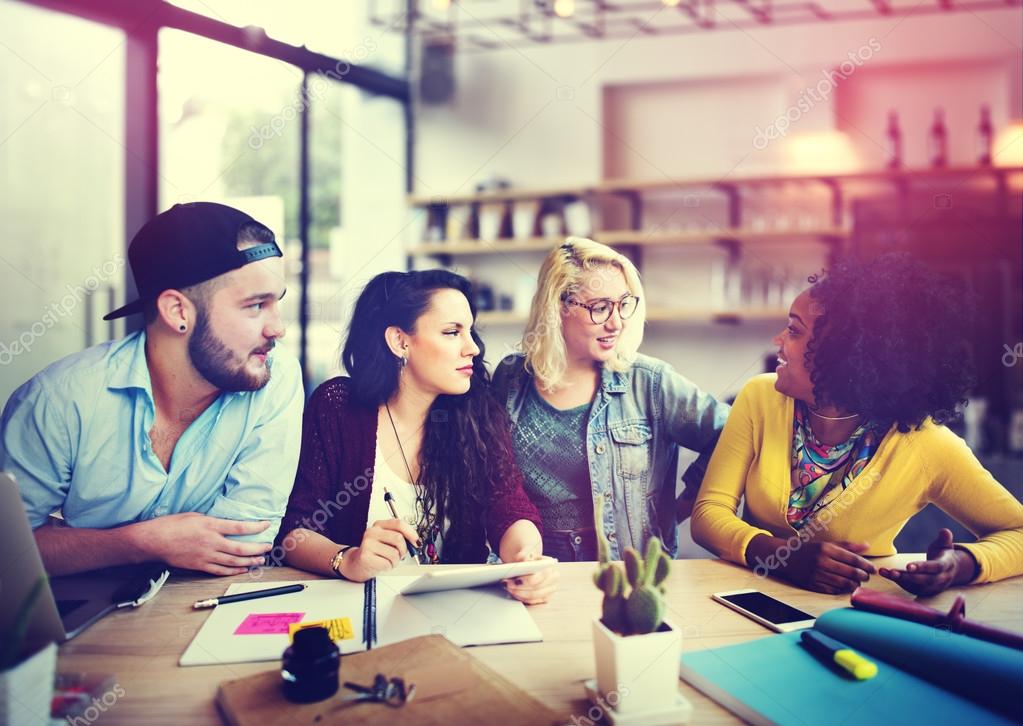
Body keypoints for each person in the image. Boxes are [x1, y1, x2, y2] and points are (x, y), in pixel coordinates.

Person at [691, 252, 1023, 596]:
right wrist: (782, 557)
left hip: (852, 610)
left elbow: (1018, 532)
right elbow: (708, 514)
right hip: (750, 601)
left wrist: (960, 565)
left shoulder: (925, 444)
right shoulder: (760, 397)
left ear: (844, 356)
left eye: (794, 330)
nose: (778, 340)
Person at [0, 202, 303, 577]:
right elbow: (9, 551)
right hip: (81, 612)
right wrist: (139, 543)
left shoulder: (275, 377)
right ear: (178, 311)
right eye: (256, 305)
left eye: (277, 303)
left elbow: (242, 545)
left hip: (205, 601)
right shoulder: (57, 401)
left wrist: (83, 545)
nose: (278, 328)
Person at [276, 270, 556, 605]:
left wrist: (526, 558)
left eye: (470, 331)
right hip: (358, 608)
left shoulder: (477, 410)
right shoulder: (337, 406)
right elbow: (295, 531)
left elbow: (508, 506)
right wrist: (347, 559)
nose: (472, 348)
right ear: (400, 341)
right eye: (452, 332)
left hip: (453, 609)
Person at [492, 238, 729, 562]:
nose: (617, 322)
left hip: (627, 571)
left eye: (623, 304)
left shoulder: (650, 381)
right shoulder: (511, 377)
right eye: (600, 307)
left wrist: (681, 507)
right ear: (558, 306)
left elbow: (732, 434)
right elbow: (494, 476)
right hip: (536, 568)